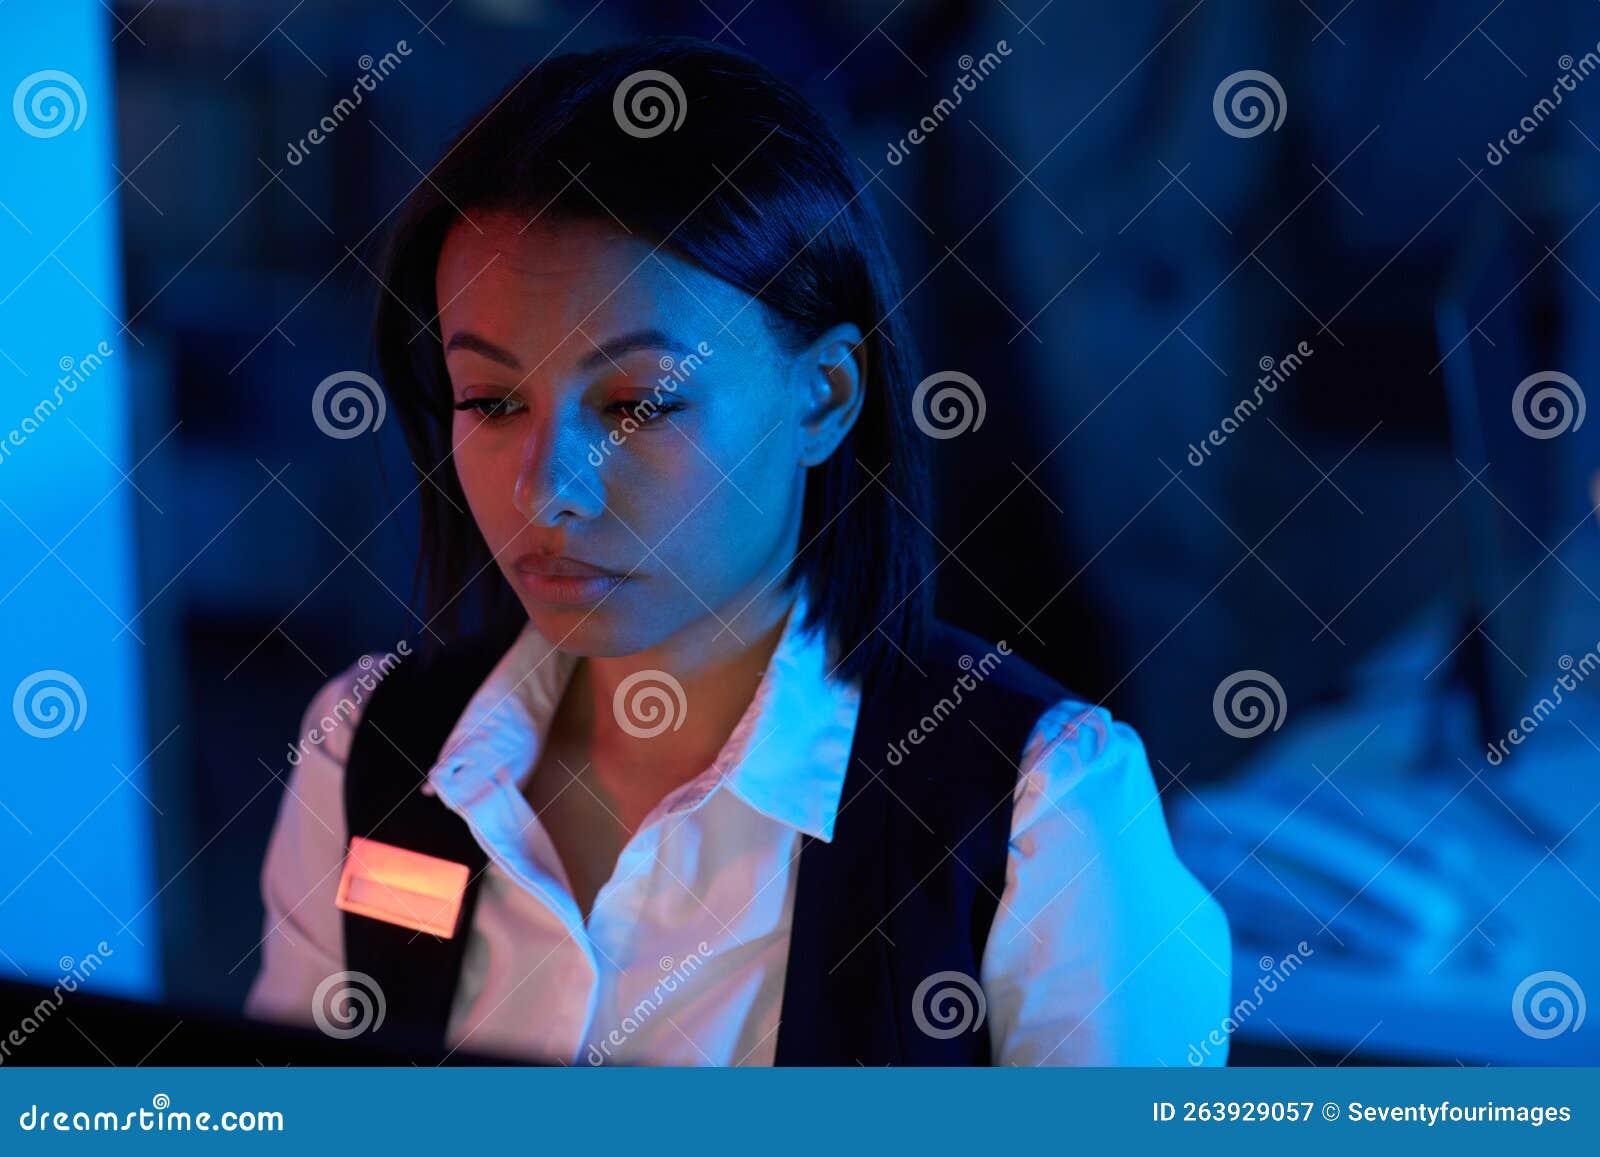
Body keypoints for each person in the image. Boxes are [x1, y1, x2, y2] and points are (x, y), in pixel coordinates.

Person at [244, 36, 1230, 1066]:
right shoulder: (369, 747)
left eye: (639, 404)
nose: (550, 488)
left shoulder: (1043, 816)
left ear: (825, 396)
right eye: (492, 401)